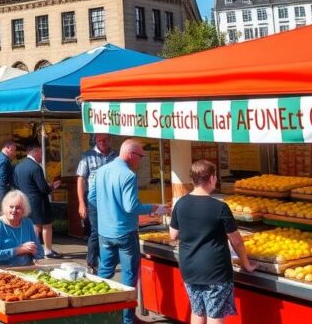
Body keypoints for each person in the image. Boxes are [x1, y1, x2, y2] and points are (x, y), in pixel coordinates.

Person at [88, 138, 167, 324]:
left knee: (105, 273)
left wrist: (107, 211)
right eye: (140, 156)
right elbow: (131, 206)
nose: (140, 160)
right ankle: (127, 319)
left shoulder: (101, 171)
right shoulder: (128, 175)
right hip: (125, 232)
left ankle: (100, 315)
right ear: (131, 154)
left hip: (105, 231)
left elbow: (92, 198)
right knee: (129, 277)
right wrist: (155, 208)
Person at [170, 159, 255, 324]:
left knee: (197, 311)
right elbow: (237, 241)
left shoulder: (180, 204)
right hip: (215, 270)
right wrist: (246, 264)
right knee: (215, 315)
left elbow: (173, 235)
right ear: (211, 179)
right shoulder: (220, 207)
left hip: (189, 268)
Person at [14, 139, 63, 258]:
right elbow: (43, 188)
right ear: (35, 152)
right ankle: (48, 250)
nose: (42, 156)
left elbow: (15, 183)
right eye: (41, 153)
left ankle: (32, 249)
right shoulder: (36, 167)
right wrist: (52, 186)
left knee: (34, 226)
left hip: (25, 200)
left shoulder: (18, 166)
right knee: (46, 225)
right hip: (39, 201)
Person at [76, 133, 116, 272]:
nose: (101, 142)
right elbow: (81, 179)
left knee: (110, 230)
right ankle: (92, 262)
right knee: (96, 230)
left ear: (110, 140)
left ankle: (108, 259)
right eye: (99, 140)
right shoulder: (87, 155)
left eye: (104, 140)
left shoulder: (115, 156)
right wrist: (81, 203)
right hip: (94, 199)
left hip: (111, 199)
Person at [0, 190, 45, 267]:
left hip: (26, 268)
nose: (14, 210)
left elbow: (40, 252)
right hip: (4, 270)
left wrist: (35, 252)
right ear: (5, 208)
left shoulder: (28, 222)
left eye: (18, 207)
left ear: (23, 210)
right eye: (11, 207)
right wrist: (19, 250)